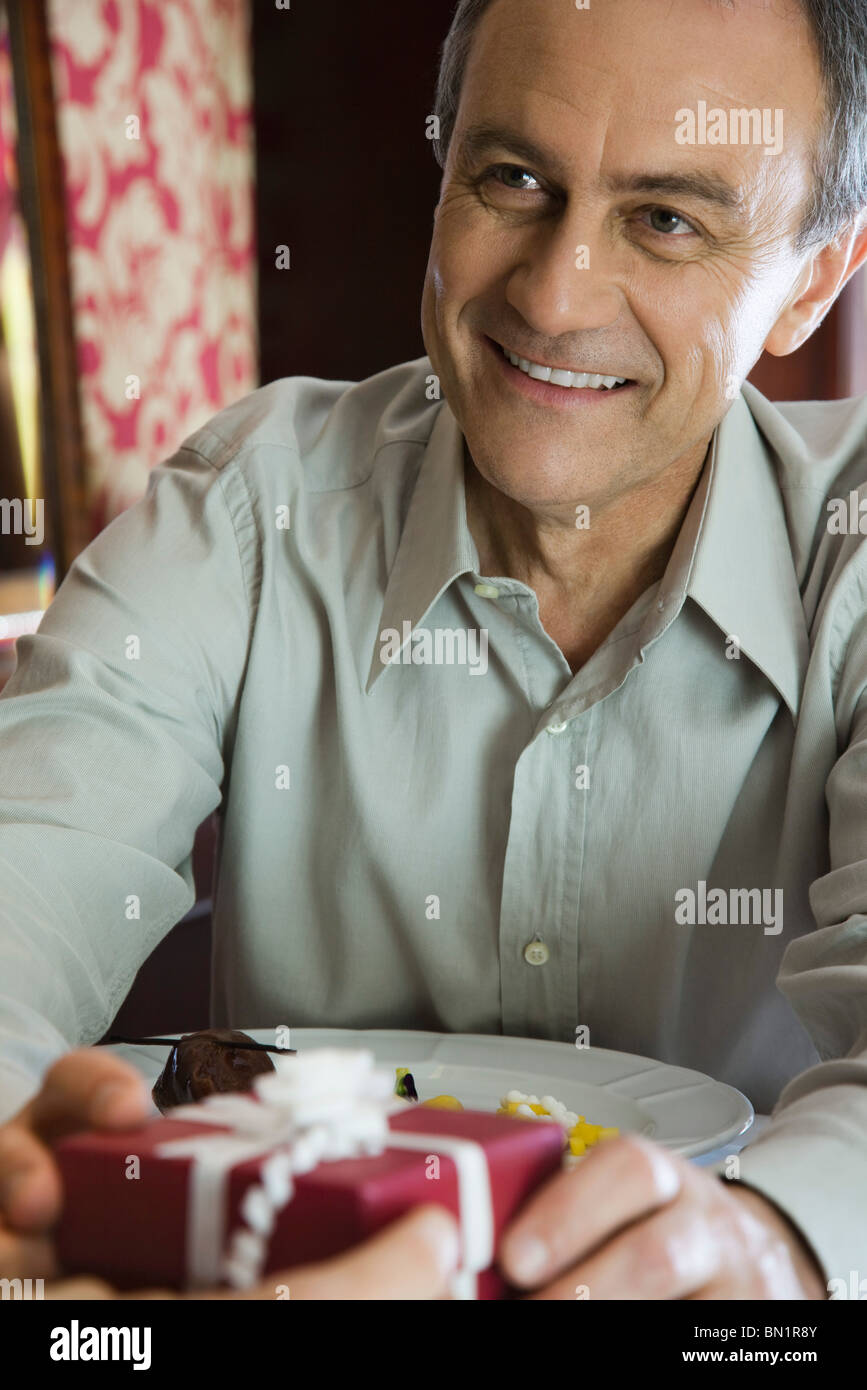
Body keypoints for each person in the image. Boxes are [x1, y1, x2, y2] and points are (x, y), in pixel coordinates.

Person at [1, 0, 866, 1300]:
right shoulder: (249, 508)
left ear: (812, 279)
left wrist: (772, 1245)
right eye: (513, 178)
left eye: (667, 219)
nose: (555, 292)